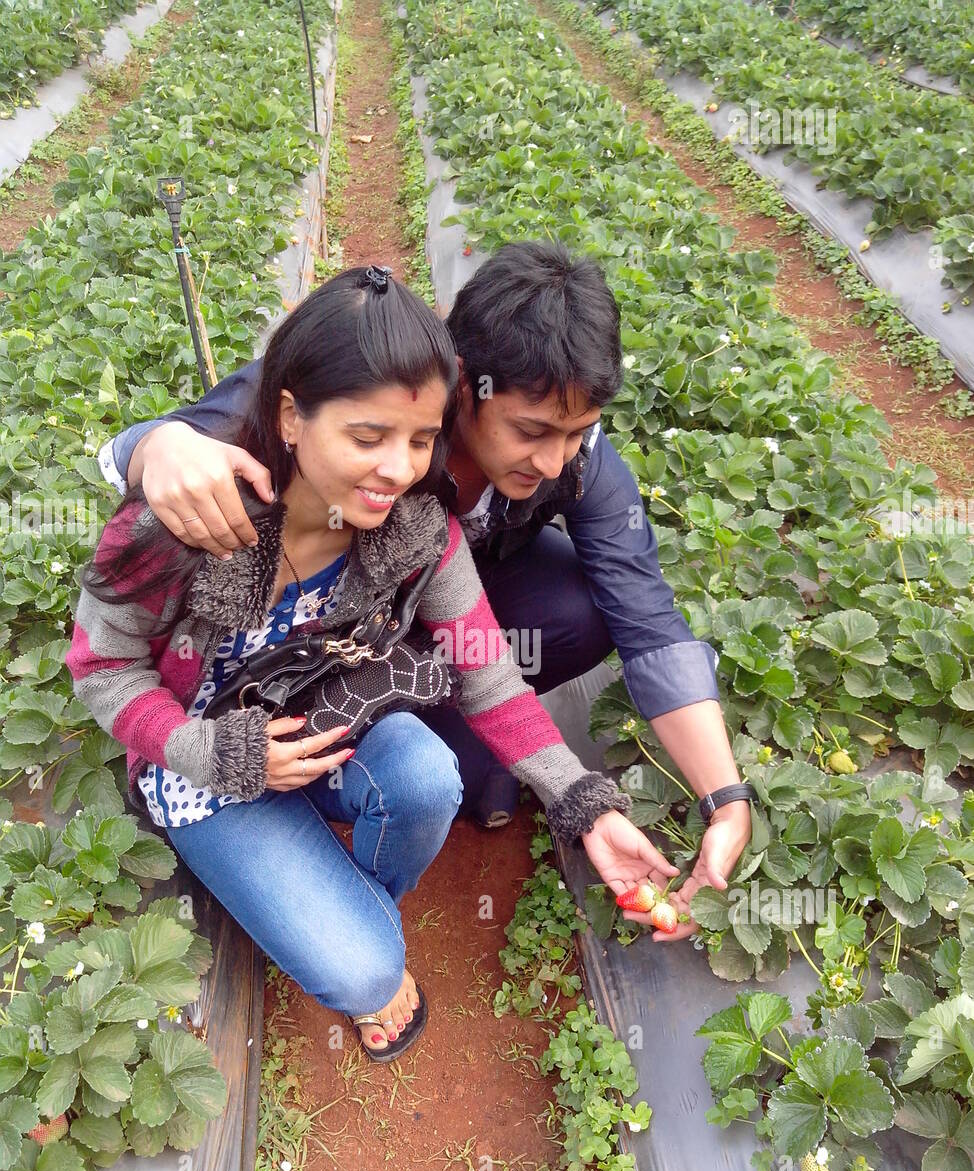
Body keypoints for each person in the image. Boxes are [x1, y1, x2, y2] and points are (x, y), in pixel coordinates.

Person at [67, 265, 679, 1062]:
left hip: (334, 717)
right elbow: (103, 670)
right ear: (291, 417)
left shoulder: (420, 529)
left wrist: (586, 806)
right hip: (204, 754)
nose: (397, 468)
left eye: (421, 441)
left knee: (427, 778)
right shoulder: (188, 521)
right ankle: (337, 924)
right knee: (365, 971)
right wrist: (209, 754)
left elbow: (489, 677)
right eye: (368, 437)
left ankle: (334, 896)